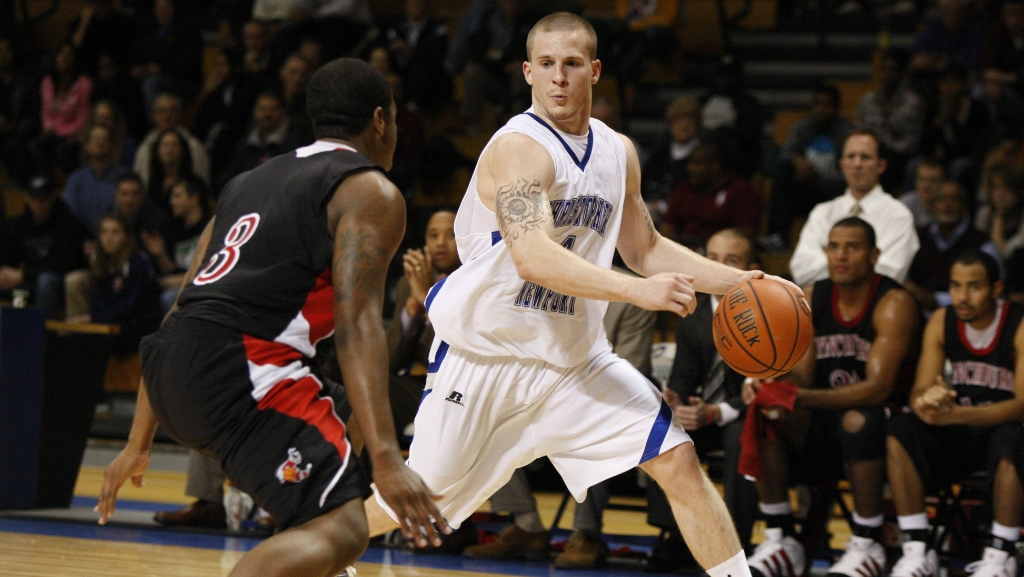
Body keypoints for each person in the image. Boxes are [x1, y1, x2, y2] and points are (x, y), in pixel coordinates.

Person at [361, 15, 797, 577]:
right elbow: (533, 256)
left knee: (677, 459)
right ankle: (311, 549)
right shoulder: (520, 149)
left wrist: (749, 283)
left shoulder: (618, 152)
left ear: (594, 70)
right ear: (527, 72)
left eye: (571, 65)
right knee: (415, 505)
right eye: (546, 65)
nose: (558, 78)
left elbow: (646, 248)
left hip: (573, 364)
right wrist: (637, 293)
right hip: (487, 357)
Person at [96, 58, 444, 577]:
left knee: (341, 424)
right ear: (379, 120)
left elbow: (183, 308)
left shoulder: (246, 183)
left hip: (171, 369)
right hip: (243, 367)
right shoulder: (369, 191)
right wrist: (391, 460)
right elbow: (357, 325)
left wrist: (137, 442)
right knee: (346, 528)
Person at [746, 217, 921, 577]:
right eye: (834, 247)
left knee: (857, 419)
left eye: (852, 247)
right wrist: (769, 381)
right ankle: (781, 538)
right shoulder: (812, 296)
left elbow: (878, 389)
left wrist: (799, 398)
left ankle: (867, 541)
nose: (840, 256)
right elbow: (803, 375)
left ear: (874, 254)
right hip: (824, 415)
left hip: (887, 423)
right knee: (766, 411)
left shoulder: (894, 301)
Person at [459, 258, 658, 569]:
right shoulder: (538, 274)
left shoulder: (631, 294)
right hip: (539, 389)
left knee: (595, 422)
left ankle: (586, 533)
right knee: (486, 414)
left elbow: (633, 368)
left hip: (600, 394)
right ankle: (527, 525)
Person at [886, 250, 1024, 577]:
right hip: (960, 431)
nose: (962, 296)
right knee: (902, 430)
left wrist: (956, 415)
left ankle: (1000, 555)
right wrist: (926, 401)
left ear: (996, 288)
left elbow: (1022, 404)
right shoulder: (941, 320)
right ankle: (917, 548)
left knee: (1014, 437)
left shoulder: (1019, 323)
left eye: (973, 286)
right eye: (956, 286)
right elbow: (919, 390)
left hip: (1004, 431)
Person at [646, 228, 761, 573]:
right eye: (712, 259)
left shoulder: (767, 309)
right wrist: (677, 400)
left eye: (732, 261)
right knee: (665, 428)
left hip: (746, 413)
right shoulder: (692, 309)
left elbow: (771, 387)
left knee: (741, 436)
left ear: (750, 268)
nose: (719, 267)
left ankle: (734, 545)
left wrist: (718, 412)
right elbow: (684, 374)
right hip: (705, 412)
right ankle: (676, 537)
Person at [789, 129, 920, 287]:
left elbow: (889, 274)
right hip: (824, 305)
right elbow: (802, 271)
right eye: (851, 157)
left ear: (881, 165)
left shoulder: (898, 215)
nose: (857, 164)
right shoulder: (823, 212)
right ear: (842, 165)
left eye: (865, 157)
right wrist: (861, 265)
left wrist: (830, 260)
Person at [387, 209, 461, 435]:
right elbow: (390, 361)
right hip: (419, 384)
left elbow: (451, 356)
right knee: (368, 382)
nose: (441, 243)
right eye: (433, 235)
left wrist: (426, 299)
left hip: (459, 386)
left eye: (451, 235)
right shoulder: (407, 284)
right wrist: (412, 307)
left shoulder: (472, 283)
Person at [766, 83, 854, 245]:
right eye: (818, 104)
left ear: (837, 107)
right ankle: (778, 236)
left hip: (832, 191)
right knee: (783, 172)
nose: (822, 109)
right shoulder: (803, 126)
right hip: (804, 190)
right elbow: (786, 153)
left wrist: (816, 176)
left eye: (827, 105)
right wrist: (797, 160)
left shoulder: (845, 132)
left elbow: (849, 173)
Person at [0, 176, 90, 318]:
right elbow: (9, 255)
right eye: (34, 198)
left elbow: (63, 263)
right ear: (27, 199)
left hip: (59, 279)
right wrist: (6, 273)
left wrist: (24, 274)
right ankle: (17, 331)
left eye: (43, 199)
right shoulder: (20, 224)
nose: (38, 204)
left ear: (53, 198)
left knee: (46, 281)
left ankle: (42, 332)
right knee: (17, 289)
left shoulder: (68, 222)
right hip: (29, 279)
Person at [905, 181, 1001, 313]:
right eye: (941, 199)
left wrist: (936, 299)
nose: (947, 205)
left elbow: (993, 291)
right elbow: (902, 277)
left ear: (965, 206)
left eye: (954, 199)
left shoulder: (981, 244)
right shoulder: (915, 236)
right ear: (931, 205)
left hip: (967, 314)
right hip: (917, 312)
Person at [74, 213, 162, 354]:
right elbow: (97, 303)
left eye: (115, 232)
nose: (109, 238)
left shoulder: (139, 264)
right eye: (104, 232)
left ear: (126, 236)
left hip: (140, 328)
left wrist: (94, 318)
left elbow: (132, 307)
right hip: (113, 324)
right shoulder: (105, 265)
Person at [658, 142, 763, 248]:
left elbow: (745, 234)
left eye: (696, 164)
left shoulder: (740, 190)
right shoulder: (683, 189)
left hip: (720, 256)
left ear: (715, 166)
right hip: (685, 254)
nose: (690, 168)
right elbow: (667, 226)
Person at [140, 176, 212, 313]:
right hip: (181, 286)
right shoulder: (175, 230)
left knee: (168, 298)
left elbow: (211, 268)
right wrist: (161, 254)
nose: (172, 202)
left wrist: (180, 280)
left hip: (203, 287)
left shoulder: (210, 228)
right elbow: (174, 269)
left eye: (177, 196)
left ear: (194, 197)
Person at [857, 50, 924, 190]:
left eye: (892, 70)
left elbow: (912, 142)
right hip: (871, 154)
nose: (887, 75)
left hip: (900, 157)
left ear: (901, 74)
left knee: (886, 161)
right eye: (884, 70)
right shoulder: (867, 101)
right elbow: (860, 133)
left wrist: (885, 148)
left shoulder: (912, 103)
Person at [220, 91, 311, 187]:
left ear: (283, 111)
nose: (267, 115)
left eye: (273, 109)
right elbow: (231, 178)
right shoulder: (244, 145)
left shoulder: (296, 143)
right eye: (262, 109)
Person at [642, 95, 702, 224]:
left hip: (682, 216)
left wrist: (663, 206)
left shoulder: (702, 155)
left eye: (689, 122)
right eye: (678, 121)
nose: (683, 126)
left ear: (697, 125)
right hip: (649, 209)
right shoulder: (660, 152)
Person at [133, 93, 210, 187]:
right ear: (154, 115)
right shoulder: (146, 147)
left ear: (179, 114)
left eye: (172, 111)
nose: (167, 116)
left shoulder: (193, 146)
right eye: (162, 111)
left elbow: (202, 183)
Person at [64, 124, 128, 236]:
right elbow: (71, 214)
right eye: (95, 138)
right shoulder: (75, 180)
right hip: (82, 240)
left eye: (104, 139)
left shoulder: (124, 176)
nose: (99, 142)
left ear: (112, 145)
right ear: (87, 145)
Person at [899, 159, 945, 229]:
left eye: (933, 180)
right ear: (915, 182)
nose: (927, 185)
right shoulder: (906, 203)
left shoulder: (948, 205)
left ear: (943, 183)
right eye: (922, 179)